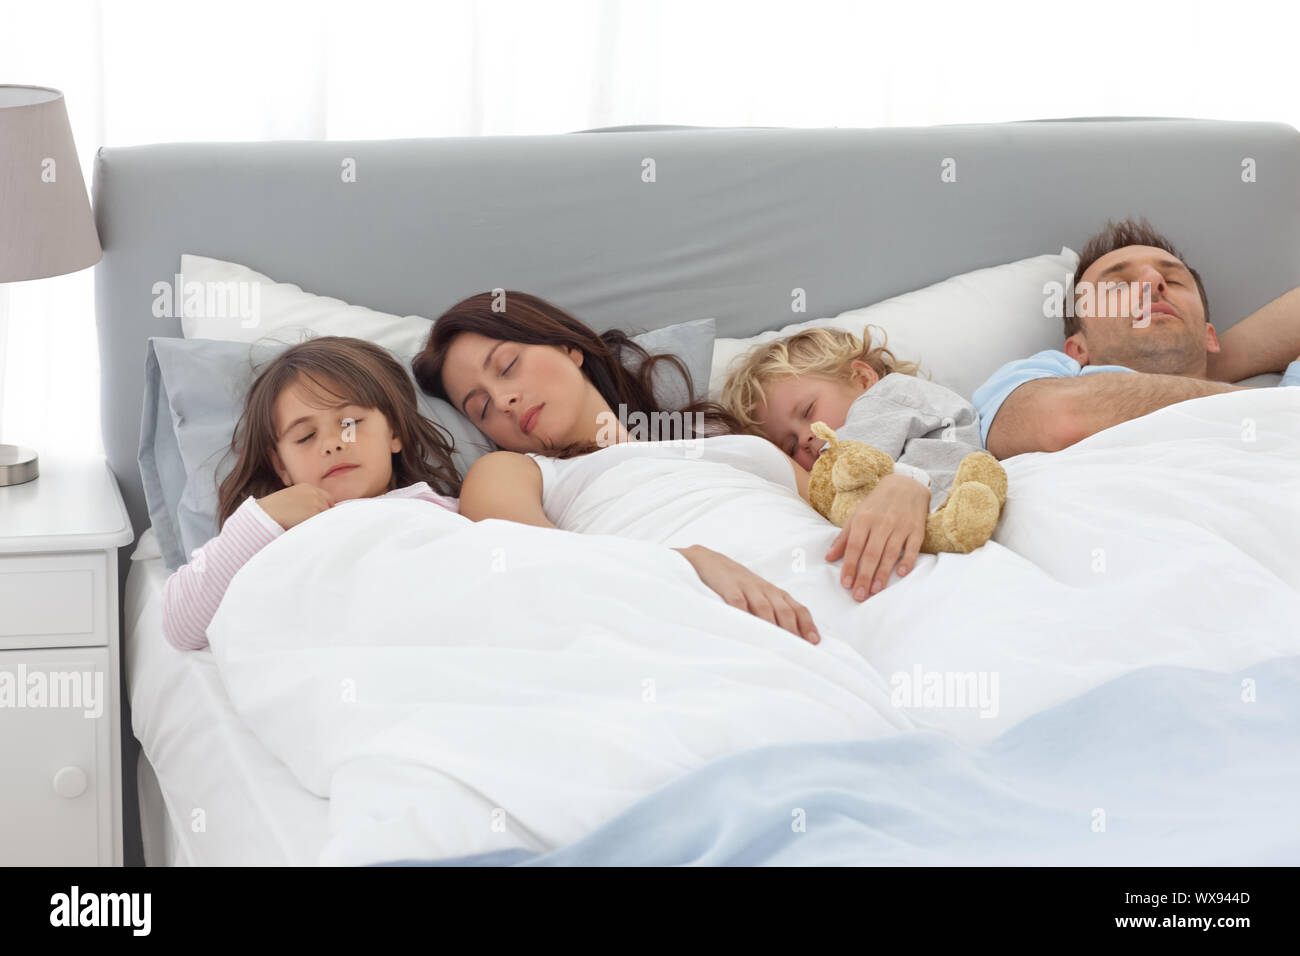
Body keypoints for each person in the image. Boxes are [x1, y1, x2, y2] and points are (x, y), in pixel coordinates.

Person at [162, 337, 462, 651]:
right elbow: (180, 626)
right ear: (281, 467)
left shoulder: (442, 510)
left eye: (350, 423)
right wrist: (262, 518)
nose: (332, 443)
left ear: (394, 434)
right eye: (305, 437)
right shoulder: (270, 535)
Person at [975, 217, 1300, 459]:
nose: (1154, 281)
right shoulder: (1039, 376)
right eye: (1117, 285)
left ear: (1210, 337)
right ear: (1077, 349)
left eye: (1173, 280)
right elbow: (1059, 422)